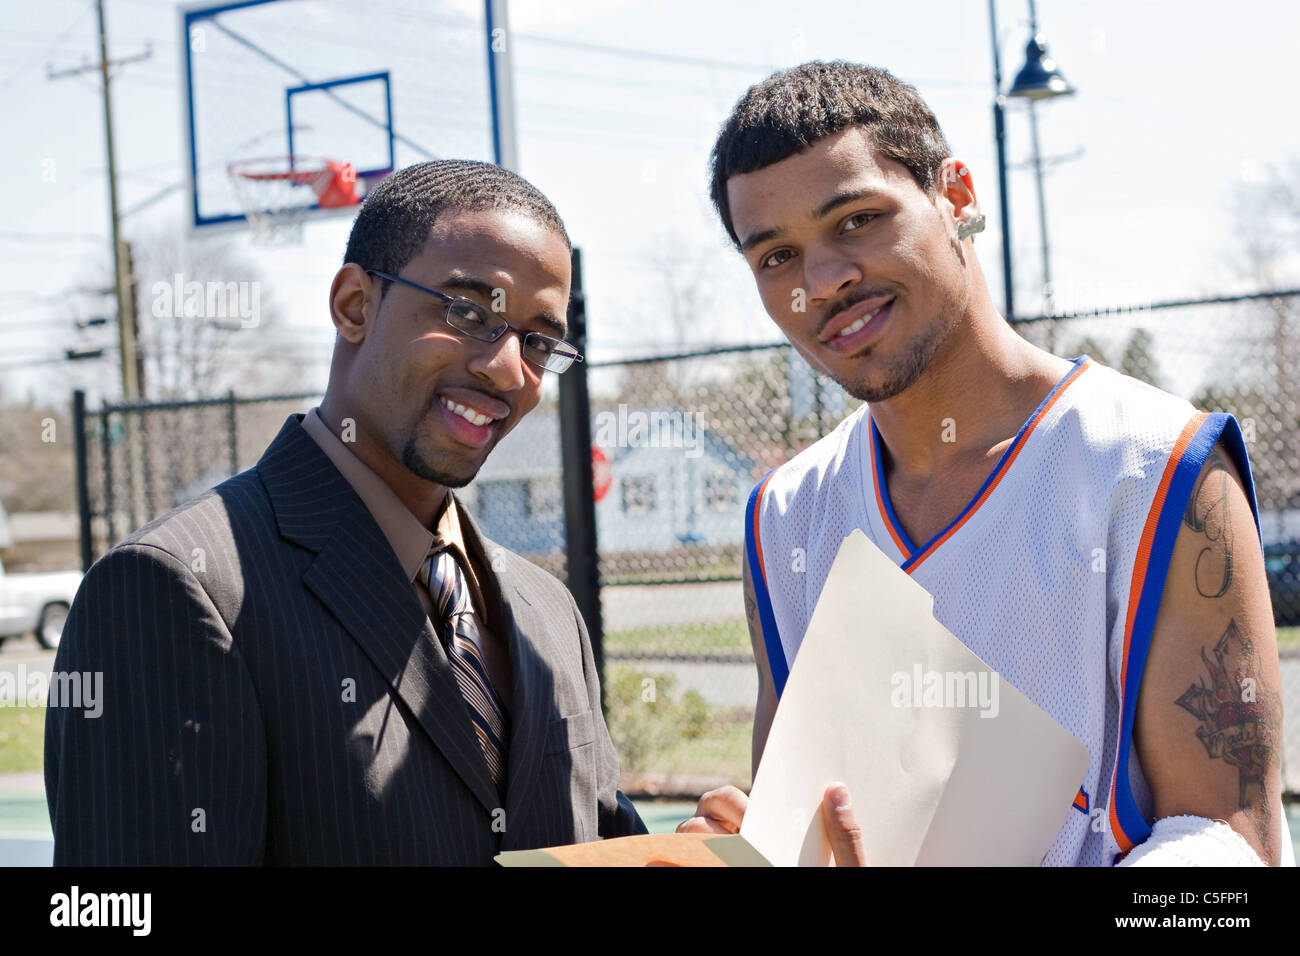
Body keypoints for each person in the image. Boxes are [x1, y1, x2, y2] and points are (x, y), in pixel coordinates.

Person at [680, 61, 1289, 866]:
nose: (824, 280)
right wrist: (751, 848)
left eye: (858, 220)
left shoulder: (1156, 465)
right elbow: (818, 823)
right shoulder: (783, 517)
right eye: (776, 258)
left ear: (957, 198)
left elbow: (1226, 846)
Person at [45, 159, 646, 864]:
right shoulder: (176, 590)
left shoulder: (547, 612)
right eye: (467, 313)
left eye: (539, 341)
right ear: (354, 305)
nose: (509, 368)